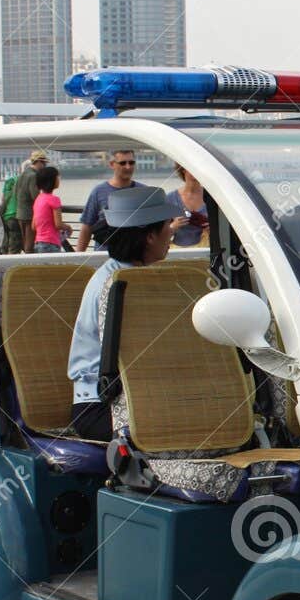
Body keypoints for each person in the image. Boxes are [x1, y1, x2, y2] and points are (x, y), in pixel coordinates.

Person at [66, 187, 186, 440]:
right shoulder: (117, 283)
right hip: (102, 406)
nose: (171, 235)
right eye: (167, 226)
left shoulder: (132, 274)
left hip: (139, 397)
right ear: (150, 236)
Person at [76, 149, 143, 251]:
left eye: (131, 162)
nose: (128, 167)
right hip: (104, 256)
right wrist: (79, 257)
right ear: (112, 164)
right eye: (123, 163)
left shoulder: (144, 191)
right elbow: (87, 227)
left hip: (134, 257)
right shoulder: (98, 192)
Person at [168, 164, 210, 247]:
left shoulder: (212, 198)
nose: (197, 171)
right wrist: (174, 226)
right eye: (193, 167)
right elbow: (159, 234)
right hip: (179, 253)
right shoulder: (170, 198)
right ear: (183, 169)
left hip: (205, 252)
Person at [14, 149, 45, 252]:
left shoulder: (22, 175)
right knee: (30, 245)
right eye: (44, 163)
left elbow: (15, 193)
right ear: (39, 162)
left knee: (25, 242)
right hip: (29, 215)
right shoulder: (33, 175)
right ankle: (30, 264)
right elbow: (36, 197)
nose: (44, 166)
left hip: (20, 214)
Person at [31, 165, 66, 253]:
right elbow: (58, 224)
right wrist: (68, 227)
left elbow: (33, 226)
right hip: (51, 244)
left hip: (38, 243)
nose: (59, 179)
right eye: (57, 176)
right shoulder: (54, 200)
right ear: (52, 180)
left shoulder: (38, 199)